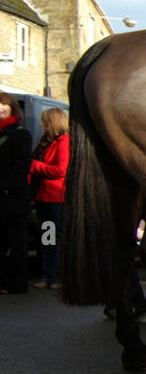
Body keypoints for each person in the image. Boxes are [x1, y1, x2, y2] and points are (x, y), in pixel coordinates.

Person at [29, 107, 69, 289]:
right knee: (47, 236)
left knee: (54, 237)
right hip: (44, 196)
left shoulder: (63, 142)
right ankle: (48, 275)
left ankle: (56, 276)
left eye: (44, 121)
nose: (42, 125)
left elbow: (60, 170)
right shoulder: (47, 142)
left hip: (55, 197)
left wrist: (35, 166)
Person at [0, 93, 31, 294]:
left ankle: (18, 283)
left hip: (13, 198)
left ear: (12, 108)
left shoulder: (20, 134)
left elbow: (22, 166)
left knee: (19, 242)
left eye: (3, 106)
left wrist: (7, 187)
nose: (0, 110)